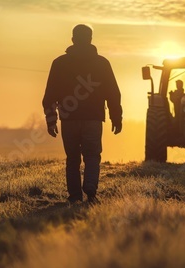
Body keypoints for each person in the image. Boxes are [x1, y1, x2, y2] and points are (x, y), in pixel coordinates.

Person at [42, 24, 122, 204]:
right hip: (93, 119)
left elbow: (49, 96)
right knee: (92, 155)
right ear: (91, 39)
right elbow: (113, 93)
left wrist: (51, 120)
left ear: (72, 40)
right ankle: (91, 189)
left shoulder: (59, 63)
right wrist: (116, 117)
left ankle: (75, 196)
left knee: (72, 158)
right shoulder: (102, 63)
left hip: (69, 119)